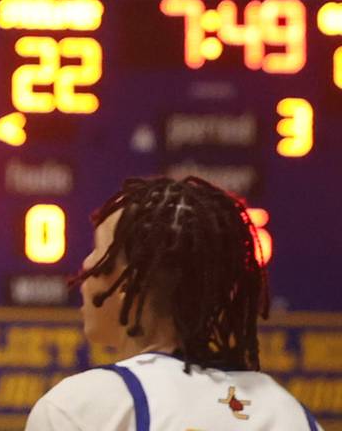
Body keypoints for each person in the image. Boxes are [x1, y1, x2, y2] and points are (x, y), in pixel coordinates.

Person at [26, 176, 325, 431]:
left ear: (128, 286)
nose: (85, 264)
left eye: (98, 250)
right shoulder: (291, 415)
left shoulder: (79, 409)